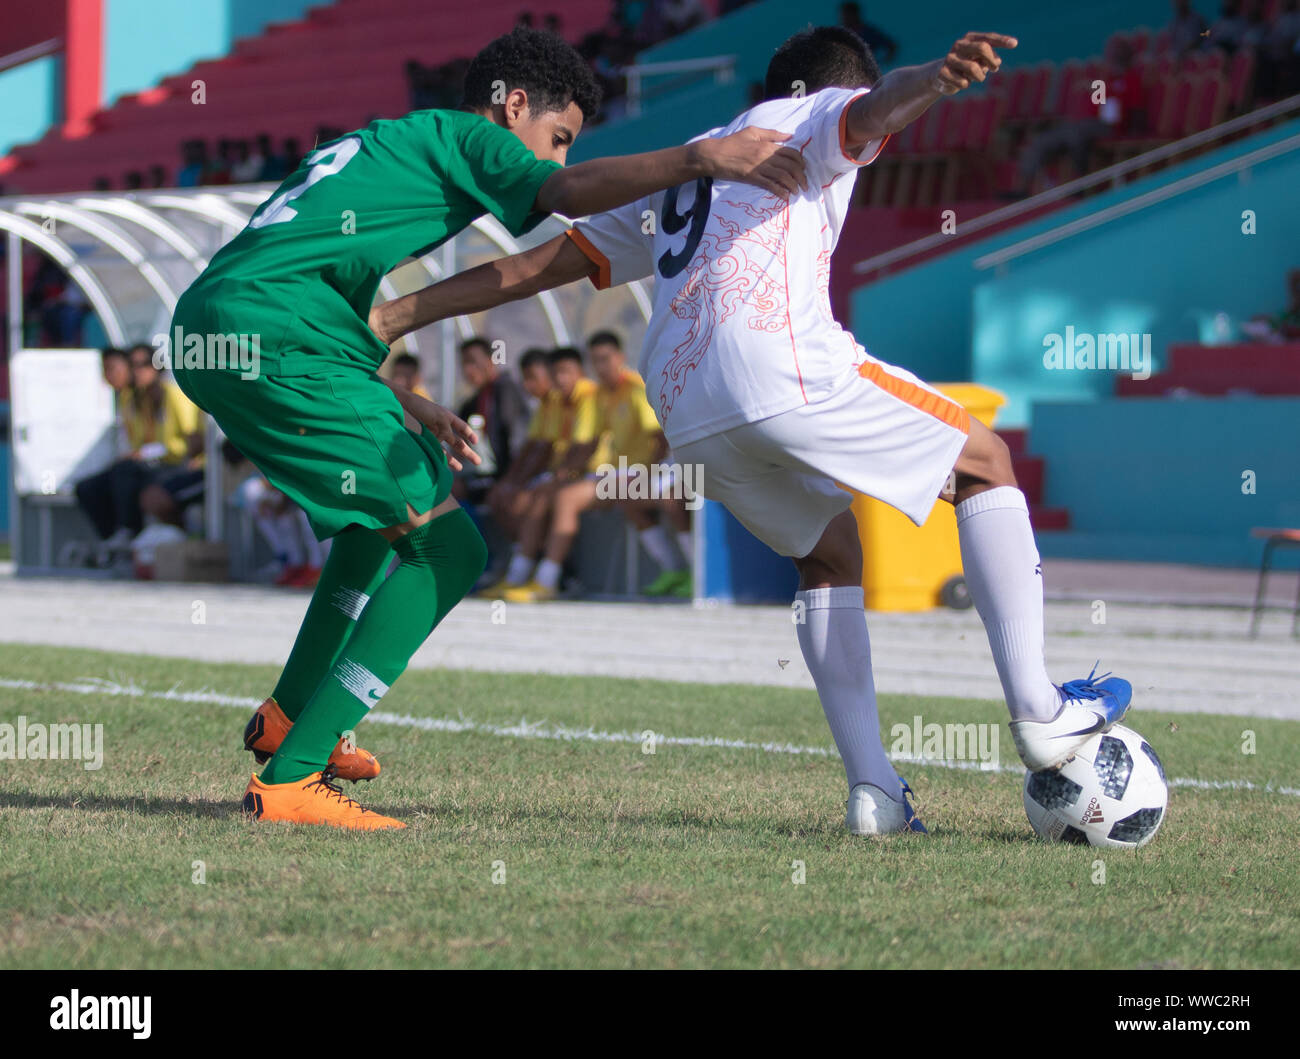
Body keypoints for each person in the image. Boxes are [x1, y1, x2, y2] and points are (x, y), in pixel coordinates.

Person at [369, 26, 1136, 837]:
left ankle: (874, 790)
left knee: (830, 552)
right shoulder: (810, 114)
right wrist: (939, 81)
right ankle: (1040, 708)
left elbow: (531, 269)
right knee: (986, 459)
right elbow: (877, 107)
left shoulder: (687, 165)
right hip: (780, 364)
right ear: (823, 88)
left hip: (686, 406)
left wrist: (394, 313)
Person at [169, 25, 807, 830]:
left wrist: (405, 401)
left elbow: (300, 273)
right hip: (277, 335)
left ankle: (291, 717)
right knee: (454, 547)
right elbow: (563, 201)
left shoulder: (381, 143)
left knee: (374, 529)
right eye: (559, 137)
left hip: (220, 328)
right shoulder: (473, 135)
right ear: (512, 107)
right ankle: (292, 780)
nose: (560, 159)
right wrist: (699, 158)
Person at [454, 336, 531, 504]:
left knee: (455, 490)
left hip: (506, 475)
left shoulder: (506, 392)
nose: (468, 370)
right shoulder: (474, 402)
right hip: (486, 474)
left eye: (473, 362)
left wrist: (509, 480)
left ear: (490, 361)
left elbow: (517, 442)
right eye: (464, 364)